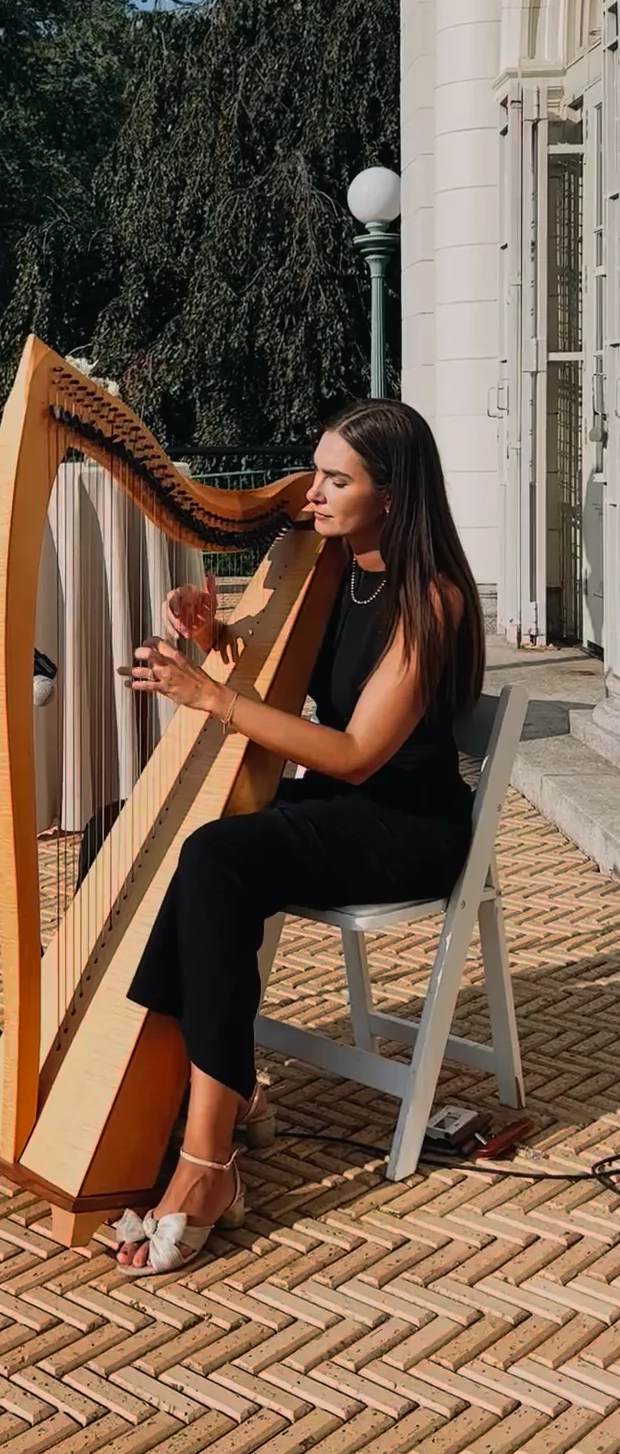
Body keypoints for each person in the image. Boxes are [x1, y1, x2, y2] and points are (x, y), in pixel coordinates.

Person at [111, 399, 485, 1275]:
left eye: (335, 480)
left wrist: (213, 698)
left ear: (391, 495)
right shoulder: (335, 571)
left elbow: (355, 754)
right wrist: (216, 636)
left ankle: (209, 1161)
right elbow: (289, 672)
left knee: (215, 860)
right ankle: (222, 1093)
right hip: (338, 807)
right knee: (123, 836)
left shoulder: (432, 600)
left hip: (405, 825)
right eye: (316, 472)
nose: (310, 492)